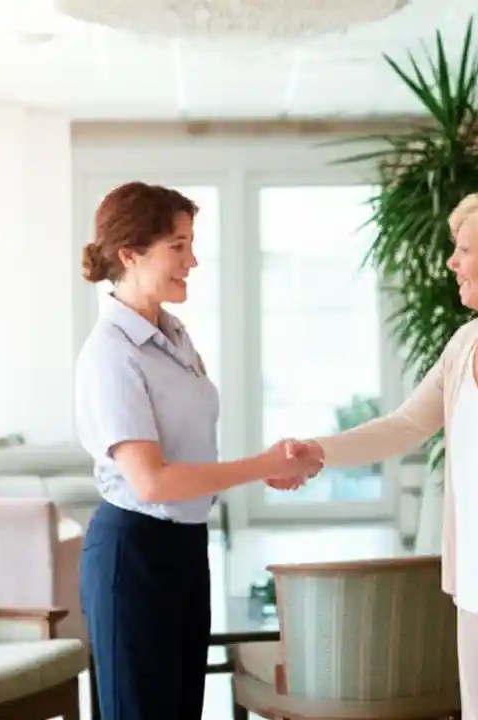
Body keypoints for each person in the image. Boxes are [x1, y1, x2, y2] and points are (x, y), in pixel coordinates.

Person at [278, 183, 478, 719]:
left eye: (466, 250)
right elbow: (405, 425)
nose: (453, 263)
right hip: (475, 580)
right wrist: (318, 451)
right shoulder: (466, 341)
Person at [74, 181, 322, 720]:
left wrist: (264, 471)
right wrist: (260, 465)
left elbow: (191, 450)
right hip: (133, 553)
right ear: (130, 254)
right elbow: (152, 482)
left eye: (191, 244)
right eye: (178, 246)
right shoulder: (112, 354)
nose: (193, 261)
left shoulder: (174, 335)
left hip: (185, 547)